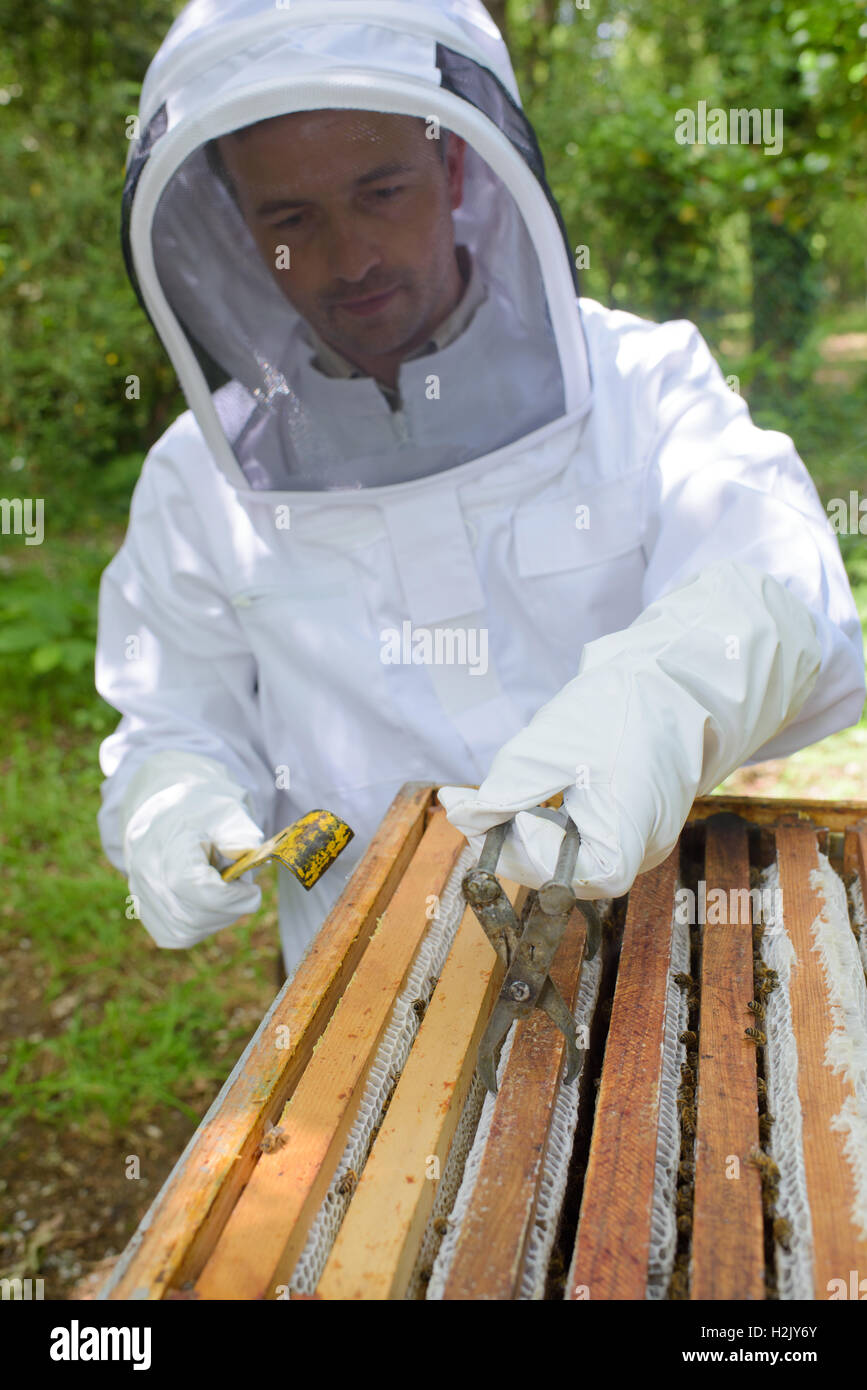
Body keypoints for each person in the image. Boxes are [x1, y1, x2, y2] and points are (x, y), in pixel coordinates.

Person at [96, 0, 865, 978]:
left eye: (382, 191)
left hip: (653, 954)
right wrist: (178, 796)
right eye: (291, 218)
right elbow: (175, 716)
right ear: (240, 228)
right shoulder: (194, 477)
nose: (350, 258)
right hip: (372, 992)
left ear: (456, 168)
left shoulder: (641, 380)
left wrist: (653, 704)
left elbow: (780, 582)